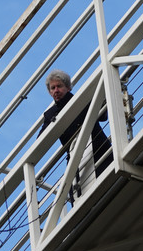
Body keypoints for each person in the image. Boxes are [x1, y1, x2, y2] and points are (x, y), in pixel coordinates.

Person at [41, 70, 112, 201]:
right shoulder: (50, 115)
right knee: (78, 196)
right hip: (76, 158)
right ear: (50, 92)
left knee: (111, 183)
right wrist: (54, 122)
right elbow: (41, 140)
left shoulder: (81, 99)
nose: (56, 90)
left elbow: (103, 116)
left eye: (59, 86)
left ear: (68, 87)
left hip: (98, 148)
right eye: (53, 88)